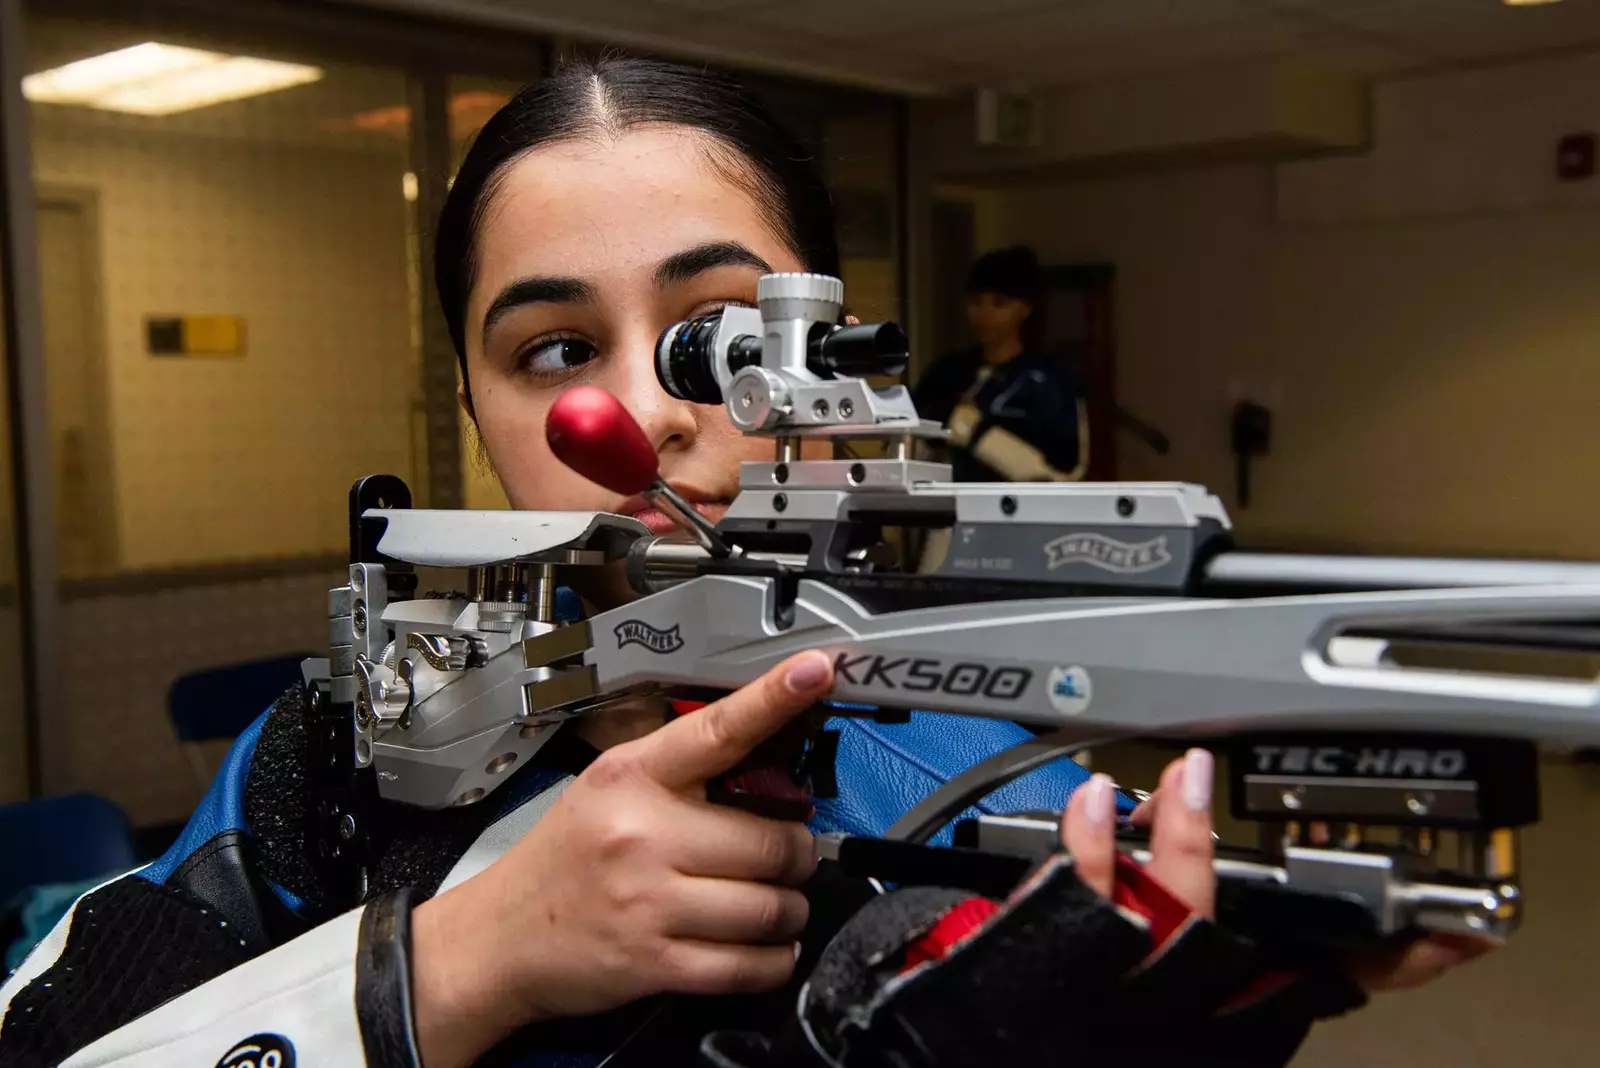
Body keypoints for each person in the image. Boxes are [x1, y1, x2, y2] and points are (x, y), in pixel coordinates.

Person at [0, 58, 1486, 1068]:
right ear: (471, 409)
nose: (644, 411)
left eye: (712, 334)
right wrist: (448, 970)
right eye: (557, 349)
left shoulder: (1009, 795)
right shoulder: (325, 765)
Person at [913, 245, 1089, 483]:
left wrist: (976, 434)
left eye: (999, 303)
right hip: (949, 511)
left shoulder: (1048, 379)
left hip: (1019, 512)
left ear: (1025, 309)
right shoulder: (945, 372)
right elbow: (906, 446)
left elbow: (1065, 468)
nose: (984, 313)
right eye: (976, 302)